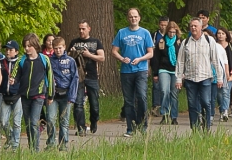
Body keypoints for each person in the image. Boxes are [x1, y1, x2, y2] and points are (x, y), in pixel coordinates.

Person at [112, 8, 154, 138]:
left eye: (135, 16)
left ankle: (143, 124)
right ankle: (130, 127)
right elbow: (114, 51)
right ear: (128, 18)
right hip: (126, 71)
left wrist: (140, 58)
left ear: (139, 18)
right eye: (131, 17)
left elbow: (150, 53)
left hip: (140, 70)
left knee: (141, 96)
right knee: (128, 100)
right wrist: (121, 59)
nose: (133, 19)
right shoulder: (121, 32)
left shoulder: (145, 33)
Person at [175, 17, 221, 131]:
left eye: (195, 26)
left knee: (206, 102)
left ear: (201, 27)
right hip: (190, 78)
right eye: (191, 26)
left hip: (205, 77)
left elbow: (215, 59)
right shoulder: (185, 42)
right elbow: (180, 61)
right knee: (192, 104)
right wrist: (178, 79)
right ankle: (195, 129)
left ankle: (206, 127)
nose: (193, 28)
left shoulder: (209, 40)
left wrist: (220, 77)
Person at [16, 34, 52, 150]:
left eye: (29, 46)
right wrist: (13, 80)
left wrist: (50, 95)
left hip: (39, 95)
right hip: (25, 95)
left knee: (33, 122)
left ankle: (35, 149)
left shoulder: (43, 59)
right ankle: (31, 146)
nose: (26, 49)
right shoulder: (22, 59)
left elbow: (50, 77)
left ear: (35, 46)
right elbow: (16, 74)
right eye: (25, 46)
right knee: (28, 123)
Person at [69, 21, 105, 136]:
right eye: (79, 29)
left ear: (89, 29)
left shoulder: (96, 42)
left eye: (83, 29)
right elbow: (67, 57)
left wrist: (89, 55)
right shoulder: (74, 42)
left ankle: (94, 121)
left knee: (94, 104)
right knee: (78, 103)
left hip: (92, 76)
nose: (81, 31)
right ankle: (81, 128)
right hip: (77, 78)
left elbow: (102, 57)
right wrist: (73, 53)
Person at [45, 38, 79, 151]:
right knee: (50, 118)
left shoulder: (70, 61)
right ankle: (50, 143)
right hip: (53, 95)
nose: (58, 50)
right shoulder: (49, 61)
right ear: (52, 49)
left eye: (60, 48)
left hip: (66, 95)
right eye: (55, 48)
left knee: (64, 120)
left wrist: (72, 96)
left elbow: (75, 79)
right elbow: (45, 78)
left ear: (64, 47)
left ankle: (63, 144)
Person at [0, 40, 23, 150]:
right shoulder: (1, 62)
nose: (8, 52)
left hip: (17, 95)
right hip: (4, 95)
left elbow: (24, 77)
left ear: (16, 52)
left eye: (10, 50)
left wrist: (16, 82)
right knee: (3, 121)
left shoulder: (21, 63)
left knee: (17, 122)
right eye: (6, 50)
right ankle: (10, 136)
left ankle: (15, 144)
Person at [153, 20, 180, 125]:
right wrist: (155, 73)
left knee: (174, 93)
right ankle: (164, 114)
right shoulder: (162, 41)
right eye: (170, 32)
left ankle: (174, 116)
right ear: (167, 31)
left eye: (174, 32)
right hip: (163, 69)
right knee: (164, 91)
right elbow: (156, 59)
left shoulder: (179, 42)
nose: (172, 34)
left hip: (175, 70)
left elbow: (182, 58)